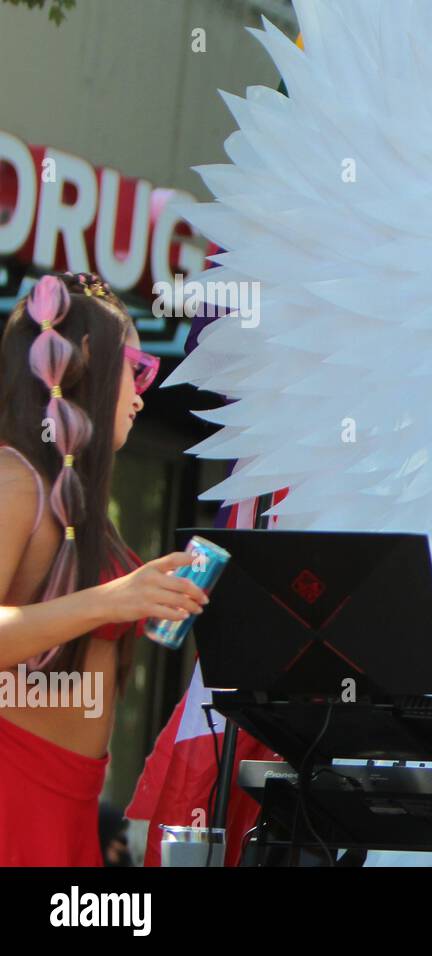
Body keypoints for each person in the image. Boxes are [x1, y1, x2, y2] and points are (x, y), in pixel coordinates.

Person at [0, 272, 209, 866]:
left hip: (72, 798)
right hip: (14, 787)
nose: (141, 393)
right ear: (87, 363)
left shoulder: (78, 500)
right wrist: (115, 599)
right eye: (134, 368)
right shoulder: (15, 480)